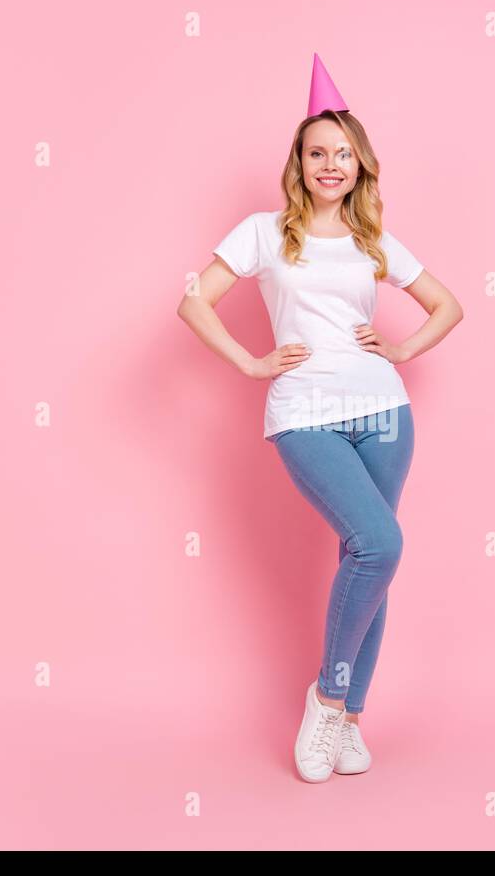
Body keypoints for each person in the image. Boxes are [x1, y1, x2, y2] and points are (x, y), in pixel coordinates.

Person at [177, 54, 463, 782]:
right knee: (379, 543)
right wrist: (248, 363)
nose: (329, 165)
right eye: (317, 153)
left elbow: (449, 305)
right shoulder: (263, 233)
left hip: (384, 411)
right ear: (298, 163)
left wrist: (399, 347)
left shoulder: (372, 240)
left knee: (371, 560)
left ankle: (349, 722)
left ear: (360, 166)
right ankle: (327, 698)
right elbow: (192, 301)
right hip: (304, 410)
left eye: (343, 154)